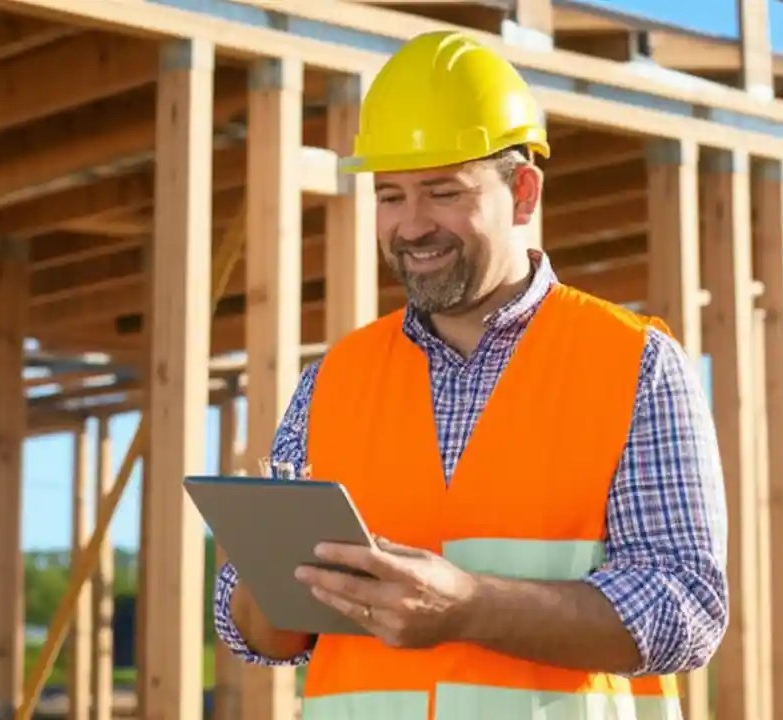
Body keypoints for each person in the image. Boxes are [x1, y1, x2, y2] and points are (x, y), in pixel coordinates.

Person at [213, 29, 728, 719]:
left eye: (443, 191)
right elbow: (261, 633)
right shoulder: (335, 378)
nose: (412, 226)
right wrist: (268, 585)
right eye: (390, 196)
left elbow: (686, 610)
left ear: (522, 193)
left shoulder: (633, 364)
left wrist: (472, 608)